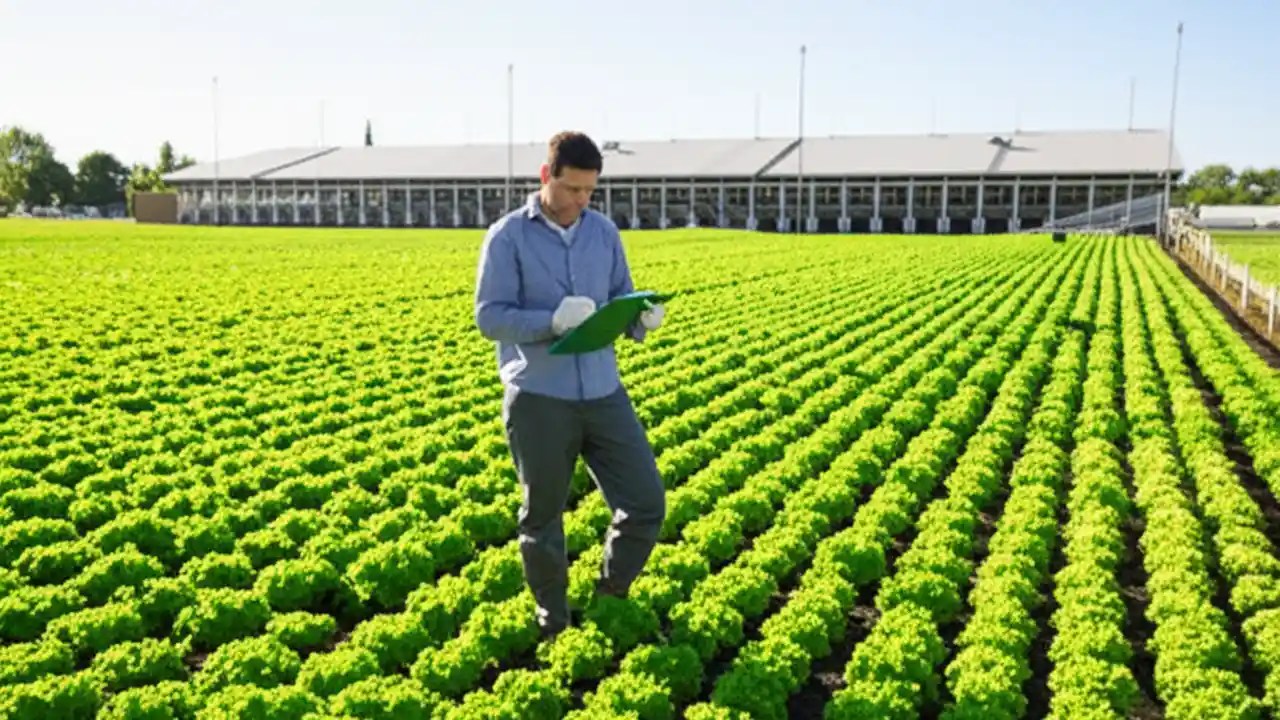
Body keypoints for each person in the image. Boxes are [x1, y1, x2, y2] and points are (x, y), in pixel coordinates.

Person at [473, 130, 668, 638]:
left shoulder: (602, 233)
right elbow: (490, 317)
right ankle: (553, 618)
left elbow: (621, 296)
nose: (579, 201)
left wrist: (639, 318)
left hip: (604, 391)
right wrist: (550, 322)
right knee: (542, 517)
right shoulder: (508, 236)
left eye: (589, 191)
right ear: (546, 177)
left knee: (646, 501)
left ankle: (611, 593)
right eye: (571, 190)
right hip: (540, 397)